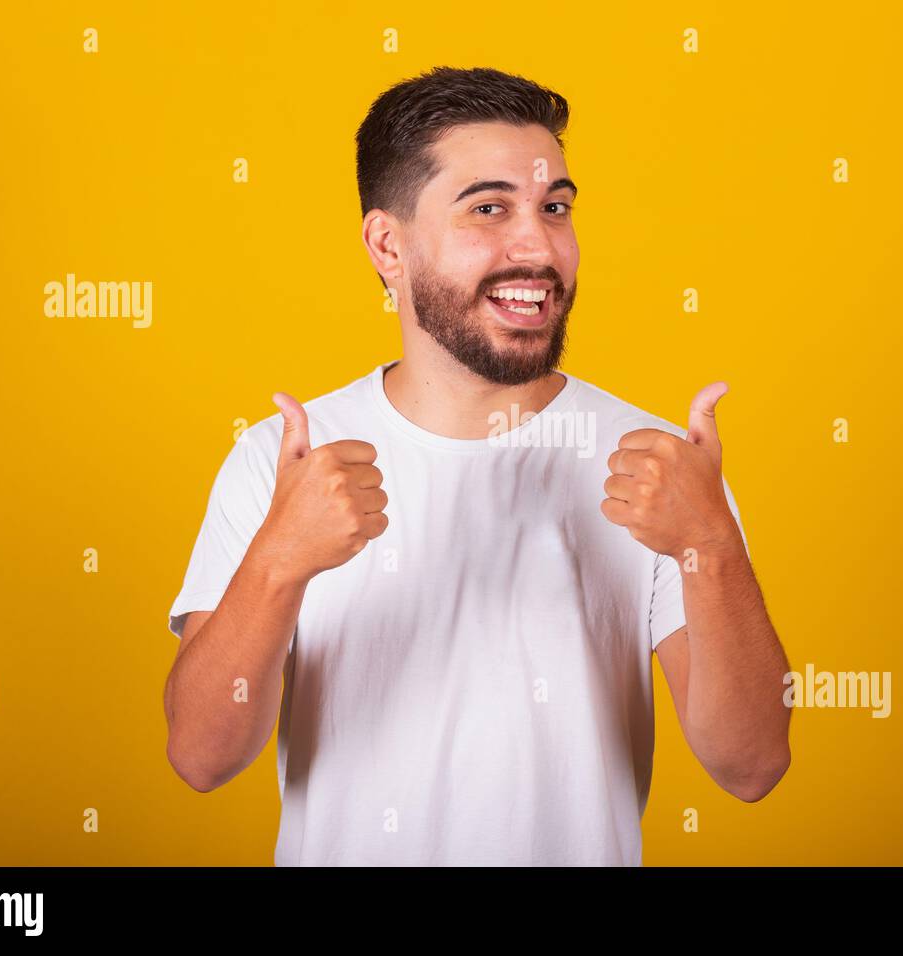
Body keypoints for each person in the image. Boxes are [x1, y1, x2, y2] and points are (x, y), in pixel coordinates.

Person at [164, 66, 791, 866]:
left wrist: (712, 544)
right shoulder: (282, 461)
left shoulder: (660, 469)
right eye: (489, 208)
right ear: (388, 245)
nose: (538, 246)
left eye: (554, 208)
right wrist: (280, 562)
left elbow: (752, 765)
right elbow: (201, 757)